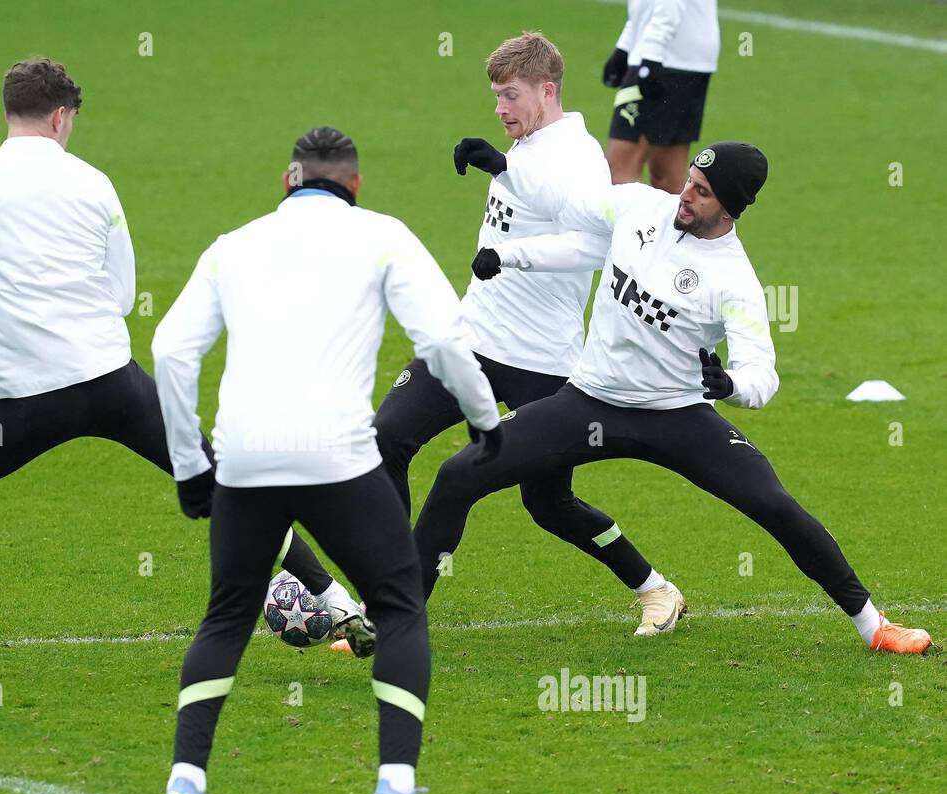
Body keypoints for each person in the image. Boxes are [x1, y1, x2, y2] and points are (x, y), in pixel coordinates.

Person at [0, 58, 355, 691]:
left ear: (11, 111)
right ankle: (336, 598)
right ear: (60, 116)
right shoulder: (95, 183)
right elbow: (122, 290)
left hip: (30, 401)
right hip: (115, 382)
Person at [415, 141, 933, 655]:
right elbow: (566, 201)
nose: (686, 195)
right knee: (458, 475)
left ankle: (874, 626)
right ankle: (399, 617)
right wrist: (505, 169)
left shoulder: (734, 280)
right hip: (588, 402)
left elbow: (762, 373)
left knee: (775, 506)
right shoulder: (643, 206)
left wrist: (730, 385)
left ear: (730, 206)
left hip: (677, 418)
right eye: (689, 180)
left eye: (702, 192)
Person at [152, 126, 503, 794]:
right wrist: (484, 419)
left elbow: (168, 349)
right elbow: (442, 338)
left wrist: (191, 463)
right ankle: (396, 786)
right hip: (338, 457)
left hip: (245, 457)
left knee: (224, 620)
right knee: (402, 606)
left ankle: (185, 784)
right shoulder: (383, 237)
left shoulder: (234, 244)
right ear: (355, 186)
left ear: (287, 182)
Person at [396, 31, 688, 634]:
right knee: (385, 443)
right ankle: (394, 599)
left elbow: (591, 244)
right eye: (496, 97)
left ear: (546, 90)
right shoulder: (524, 145)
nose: (500, 109)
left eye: (510, 96)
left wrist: (512, 254)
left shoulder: (577, 158)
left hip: (542, 362)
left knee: (548, 504)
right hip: (469, 339)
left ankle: (655, 589)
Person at [601, 0, 720, 192]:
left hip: (664, 57)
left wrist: (650, 54)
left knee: (619, 170)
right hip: (683, 59)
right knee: (667, 177)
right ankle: (677, 223)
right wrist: (626, 45)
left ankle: (634, 224)